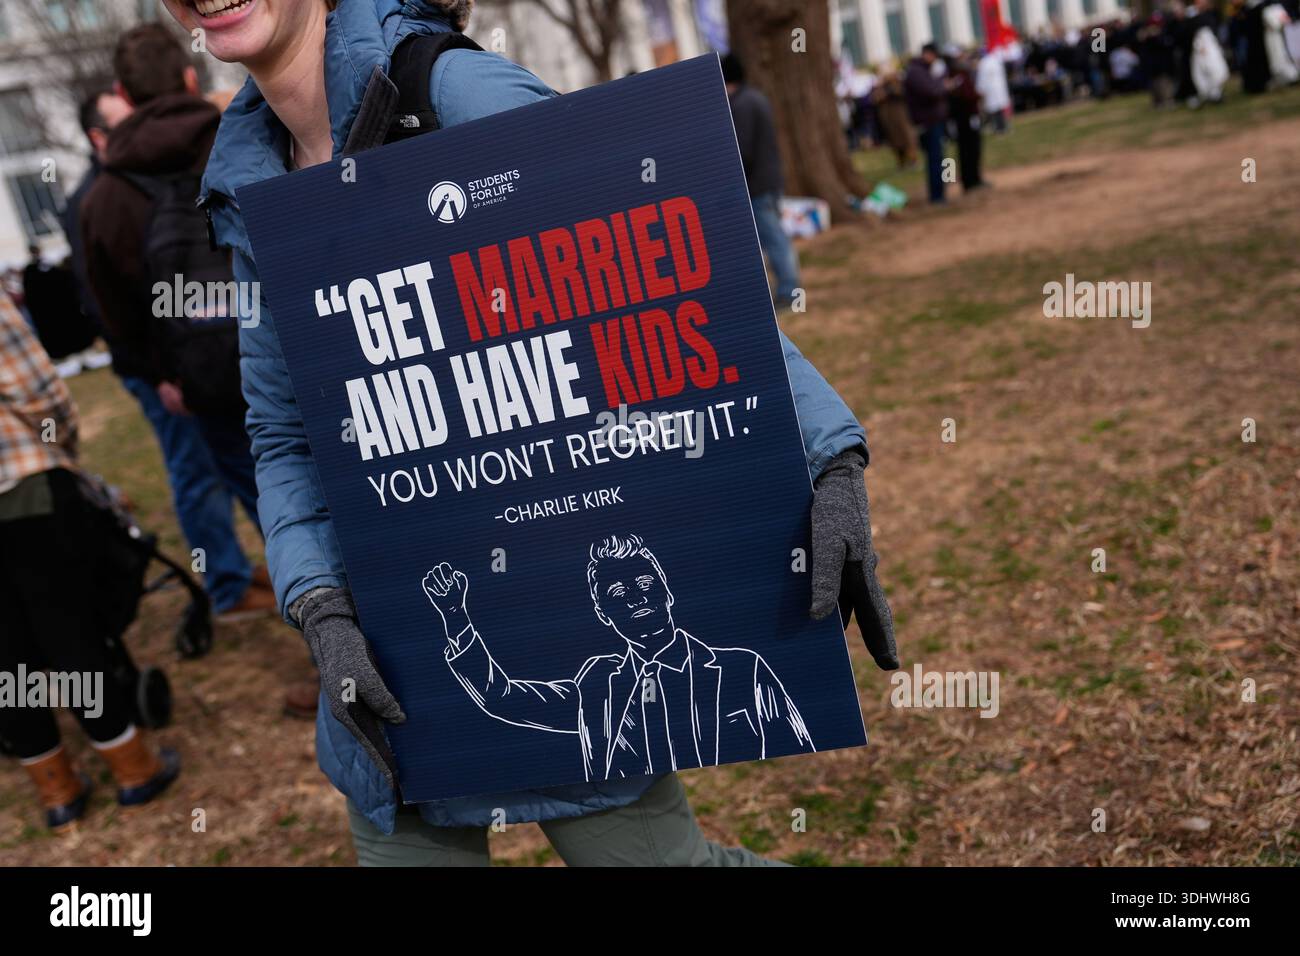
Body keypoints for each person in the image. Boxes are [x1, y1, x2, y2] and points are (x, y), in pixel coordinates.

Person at [169, 0, 896, 868]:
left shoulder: (454, 91)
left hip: (552, 603)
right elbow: (286, 431)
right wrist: (319, 604)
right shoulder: (245, 169)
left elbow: (668, 282)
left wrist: (828, 457)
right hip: (394, 645)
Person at [67, 86, 284, 633]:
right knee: (199, 475)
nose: (138, 132)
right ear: (99, 137)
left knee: (249, 473)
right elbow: (107, 303)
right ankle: (229, 584)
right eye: (123, 125)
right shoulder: (98, 198)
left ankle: (244, 577)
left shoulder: (161, 171)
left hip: (202, 360)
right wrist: (158, 373)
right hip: (166, 371)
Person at [0, 289, 180, 832]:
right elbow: (35, 388)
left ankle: (57, 788)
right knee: (67, 630)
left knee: (7, 650)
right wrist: (66, 448)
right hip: (20, 480)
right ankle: (131, 766)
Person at [425, 535, 814, 780]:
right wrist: (456, 618)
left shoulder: (741, 670)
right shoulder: (597, 682)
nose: (637, 597)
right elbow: (503, 698)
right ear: (603, 613)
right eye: (619, 592)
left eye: (647, 584)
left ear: (667, 592)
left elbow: (801, 750)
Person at [720, 53, 802, 311]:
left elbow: (742, 150)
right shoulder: (754, 98)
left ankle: (789, 291)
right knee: (775, 238)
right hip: (768, 181)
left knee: (774, 239)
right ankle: (786, 288)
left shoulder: (742, 104)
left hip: (758, 186)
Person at [904, 43, 950, 204]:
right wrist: (942, 85)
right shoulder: (916, 72)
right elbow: (931, 92)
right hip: (928, 122)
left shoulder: (924, 71)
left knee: (944, 158)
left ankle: (946, 187)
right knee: (935, 158)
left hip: (935, 119)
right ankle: (938, 194)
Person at [947, 54, 987, 194]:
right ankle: (970, 180)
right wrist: (978, 95)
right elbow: (967, 96)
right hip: (965, 120)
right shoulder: (958, 77)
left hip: (964, 119)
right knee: (968, 151)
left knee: (968, 151)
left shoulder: (959, 76)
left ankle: (972, 179)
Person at [871, 68, 919, 167]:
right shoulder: (879, 88)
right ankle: (901, 163)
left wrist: (890, 90)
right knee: (895, 142)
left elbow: (901, 93)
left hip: (902, 118)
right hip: (889, 120)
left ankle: (913, 160)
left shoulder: (898, 84)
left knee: (908, 140)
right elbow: (876, 99)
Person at [975, 49, 1011, 133]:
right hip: (999, 87)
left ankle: (999, 128)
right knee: (999, 109)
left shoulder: (983, 63)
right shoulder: (996, 60)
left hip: (991, 89)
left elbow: (981, 79)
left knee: (994, 110)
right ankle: (1003, 126)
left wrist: (979, 89)